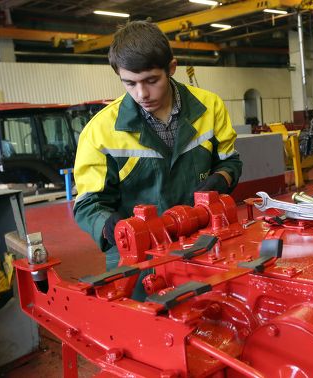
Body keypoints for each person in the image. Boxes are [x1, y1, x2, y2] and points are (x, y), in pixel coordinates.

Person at [73, 21, 242, 297]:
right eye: (130, 83)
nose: (142, 94)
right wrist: (107, 225)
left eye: (152, 80)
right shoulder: (100, 132)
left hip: (202, 246)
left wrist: (220, 179)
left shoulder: (209, 107)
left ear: (171, 68)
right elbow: (88, 203)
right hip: (137, 262)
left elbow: (230, 162)